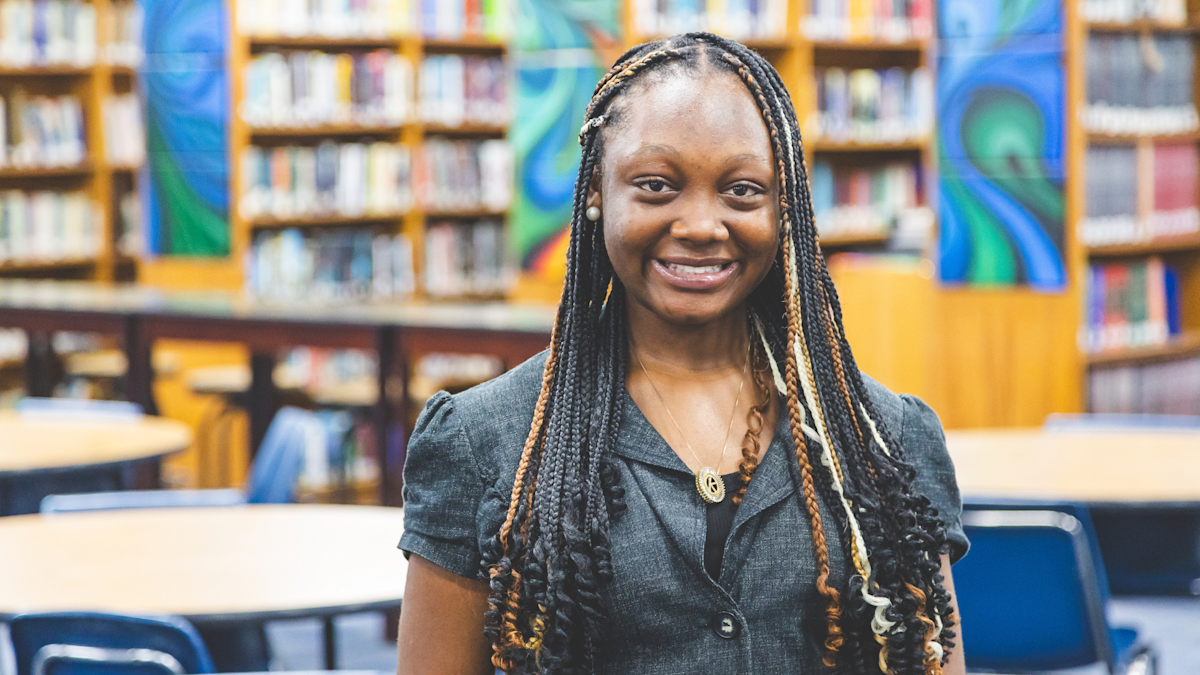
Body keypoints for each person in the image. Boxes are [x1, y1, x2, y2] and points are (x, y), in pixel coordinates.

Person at [397, 32, 968, 675]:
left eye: (742, 190)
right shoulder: (482, 444)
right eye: (656, 185)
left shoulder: (884, 442)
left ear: (785, 206)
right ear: (596, 189)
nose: (700, 226)